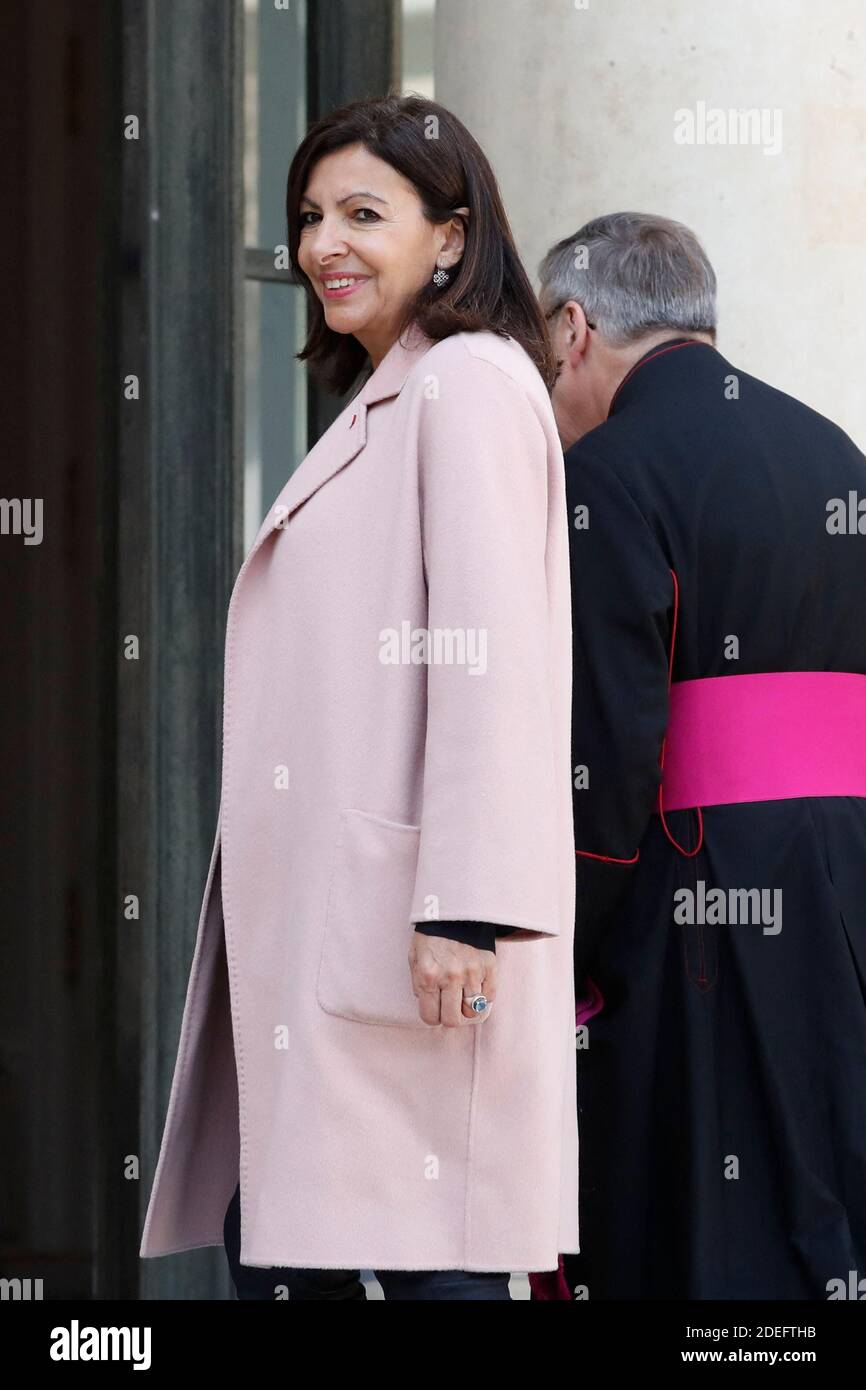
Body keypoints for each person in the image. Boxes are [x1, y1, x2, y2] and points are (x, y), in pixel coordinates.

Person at [138, 94, 578, 1300]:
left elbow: (492, 658)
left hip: (415, 936)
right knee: (297, 1238)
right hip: (347, 926)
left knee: (422, 1255)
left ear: (450, 236)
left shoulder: (470, 383)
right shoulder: (394, 395)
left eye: (362, 213)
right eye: (309, 215)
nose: (322, 241)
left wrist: (466, 908)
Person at [539, 211, 866, 1299]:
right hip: (844, 875)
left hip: (691, 882)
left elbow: (607, 747)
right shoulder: (834, 448)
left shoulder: (608, 472)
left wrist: (564, 946)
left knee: (695, 1213)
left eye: (548, 361)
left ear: (574, 329)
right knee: (822, 1180)